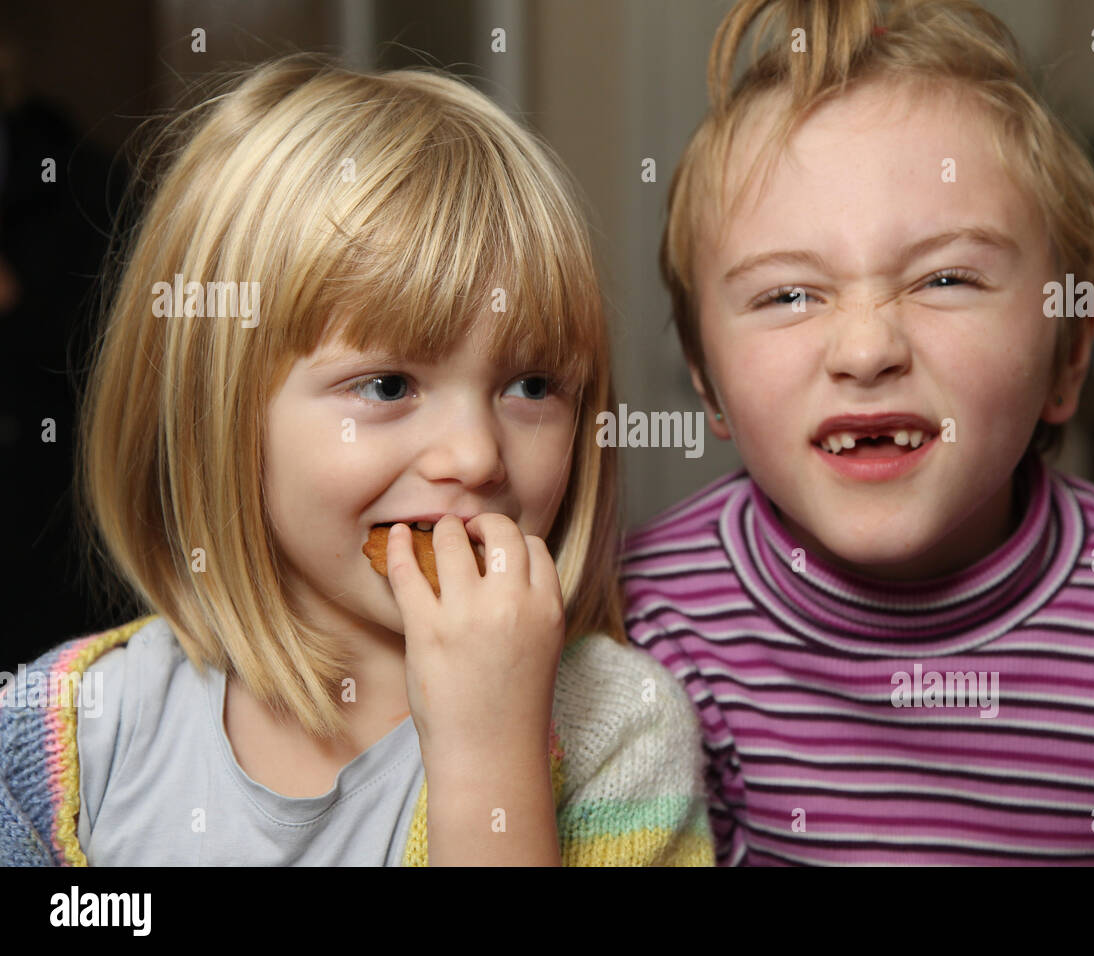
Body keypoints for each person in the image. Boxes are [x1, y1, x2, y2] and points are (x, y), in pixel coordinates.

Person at [621, 0, 1094, 865]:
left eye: (946, 278)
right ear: (707, 379)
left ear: (1068, 354)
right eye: (788, 294)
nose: (867, 349)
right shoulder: (642, 625)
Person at [0, 53, 713, 866]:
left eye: (532, 383)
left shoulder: (619, 731)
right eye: (386, 385)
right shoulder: (74, 732)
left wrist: (491, 757)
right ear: (218, 417)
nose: (477, 457)